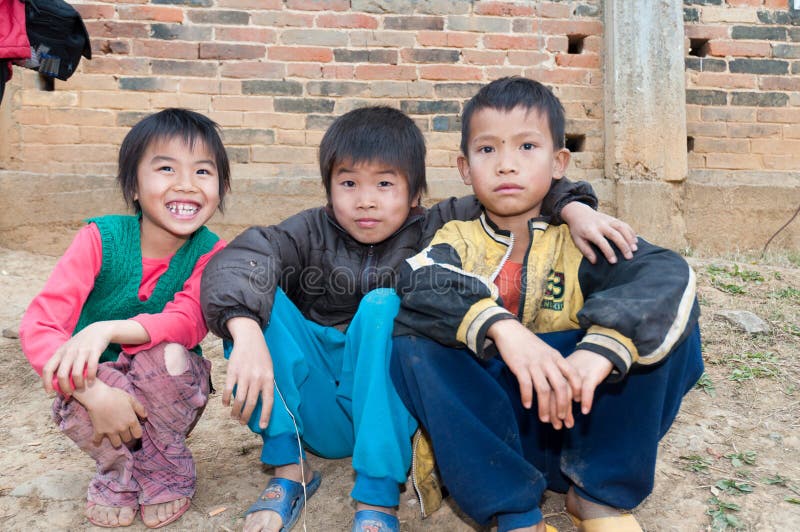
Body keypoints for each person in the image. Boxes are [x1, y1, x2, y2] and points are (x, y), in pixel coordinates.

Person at [200, 105, 638, 532]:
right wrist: (245, 329)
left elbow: (518, 194)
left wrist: (575, 208)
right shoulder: (308, 231)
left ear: (414, 194)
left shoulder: (438, 224)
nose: (365, 201)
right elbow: (240, 259)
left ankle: (376, 494)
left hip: (389, 407)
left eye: (385, 184)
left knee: (384, 304)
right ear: (329, 189)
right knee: (255, 302)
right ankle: (288, 470)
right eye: (348, 182)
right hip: (312, 412)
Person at [389, 77, 704, 532]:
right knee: (414, 337)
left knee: (671, 320)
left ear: (559, 163)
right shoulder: (453, 237)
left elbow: (667, 274)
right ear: (463, 167)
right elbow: (418, 280)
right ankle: (514, 513)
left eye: (527, 147)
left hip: (586, 421)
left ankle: (598, 497)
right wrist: (503, 328)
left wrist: (600, 350)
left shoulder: (583, 238)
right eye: (487, 150)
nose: (506, 166)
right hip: (500, 437)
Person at [20, 108, 230, 529]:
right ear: (134, 186)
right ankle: (119, 472)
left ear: (220, 188)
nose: (186, 184)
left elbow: (189, 320)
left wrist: (106, 329)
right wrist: (93, 392)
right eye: (166, 168)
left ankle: (165, 467)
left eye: (203, 171)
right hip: (97, 391)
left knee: (168, 352)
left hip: (167, 392)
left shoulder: (212, 252)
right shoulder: (100, 238)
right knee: (80, 373)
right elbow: (41, 325)